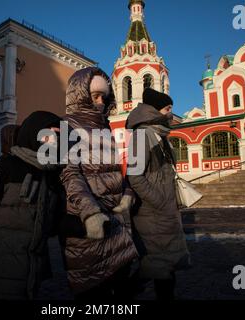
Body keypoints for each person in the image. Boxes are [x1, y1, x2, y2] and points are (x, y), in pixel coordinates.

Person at [0, 111, 66, 300]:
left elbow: (53, 225)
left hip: (32, 274)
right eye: (49, 134)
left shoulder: (52, 174)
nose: (54, 140)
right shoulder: (3, 166)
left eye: (58, 135)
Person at [60, 67, 138, 300]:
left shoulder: (104, 126)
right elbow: (69, 174)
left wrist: (127, 191)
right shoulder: (68, 126)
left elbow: (114, 169)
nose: (101, 102)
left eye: (104, 96)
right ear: (80, 94)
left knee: (119, 283)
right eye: (95, 96)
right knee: (93, 290)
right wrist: (90, 212)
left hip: (116, 221)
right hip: (89, 225)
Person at [125, 88, 191, 301]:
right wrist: (160, 200)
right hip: (152, 214)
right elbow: (135, 177)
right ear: (155, 110)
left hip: (164, 213)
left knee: (162, 265)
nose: (171, 113)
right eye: (168, 108)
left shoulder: (159, 135)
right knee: (160, 266)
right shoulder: (142, 136)